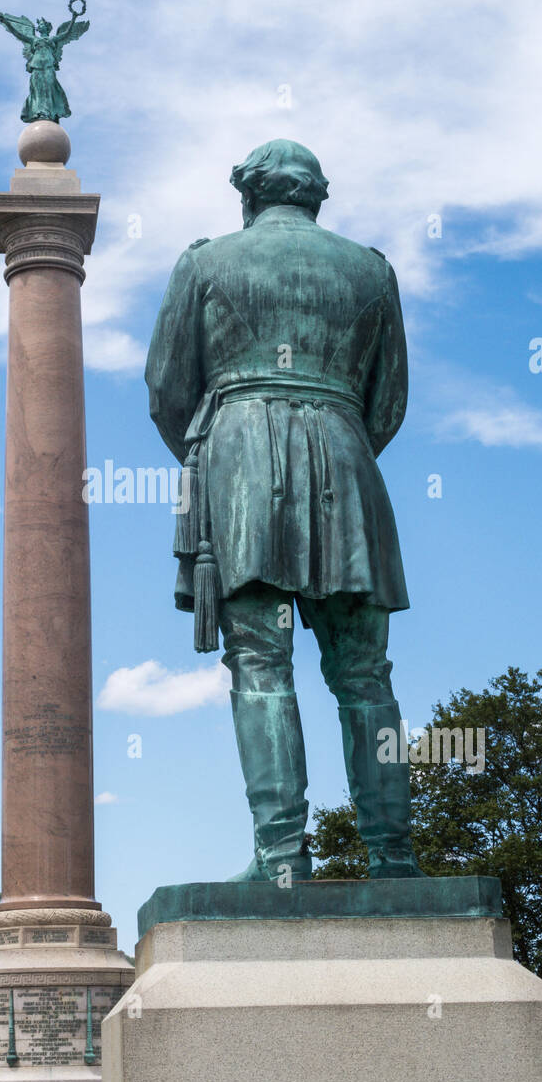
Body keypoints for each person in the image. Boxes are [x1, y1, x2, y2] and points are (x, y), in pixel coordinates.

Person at [145, 138, 422, 881]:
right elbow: (389, 402)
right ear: (317, 197)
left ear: (248, 195)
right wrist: (337, 439)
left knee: (260, 664)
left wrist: (226, 459)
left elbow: (168, 392)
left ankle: (280, 858)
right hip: (348, 465)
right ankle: (393, 856)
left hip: (242, 463)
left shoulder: (205, 262)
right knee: (366, 673)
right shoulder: (373, 269)